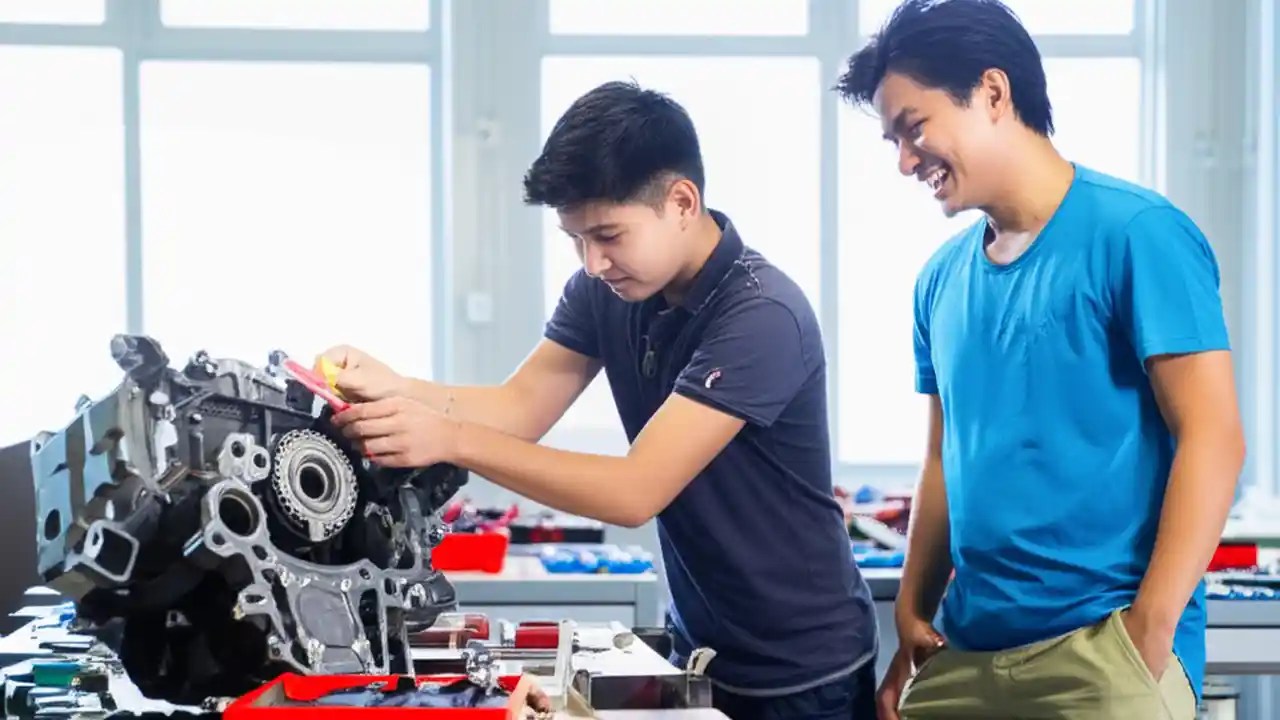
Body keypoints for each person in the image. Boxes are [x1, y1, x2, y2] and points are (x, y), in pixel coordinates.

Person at [318, 80, 879, 719]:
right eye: (576, 240)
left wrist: (447, 438)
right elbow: (519, 407)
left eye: (608, 235)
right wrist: (397, 387)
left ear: (682, 201)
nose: (592, 262)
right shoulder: (607, 292)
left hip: (803, 672)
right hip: (703, 643)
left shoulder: (763, 315)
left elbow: (633, 492)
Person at [834, 1, 1246, 718]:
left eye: (914, 128)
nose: (904, 162)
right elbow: (942, 459)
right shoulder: (940, 280)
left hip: (1104, 653)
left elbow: (1213, 437)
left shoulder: (1139, 235)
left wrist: (1146, 634)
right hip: (964, 651)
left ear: (993, 93)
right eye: (893, 142)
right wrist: (910, 612)